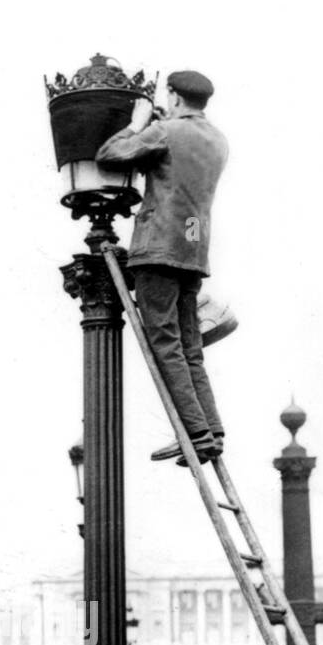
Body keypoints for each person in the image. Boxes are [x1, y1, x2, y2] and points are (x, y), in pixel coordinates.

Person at [96, 69, 230, 467]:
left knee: (165, 343)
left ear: (172, 95)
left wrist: (137, 124)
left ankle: (194, 431)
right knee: (190, 347)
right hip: (193, 250)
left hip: (158, 247)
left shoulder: (166, 133)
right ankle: (211, 430)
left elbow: (110, 155)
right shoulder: (217, 139)